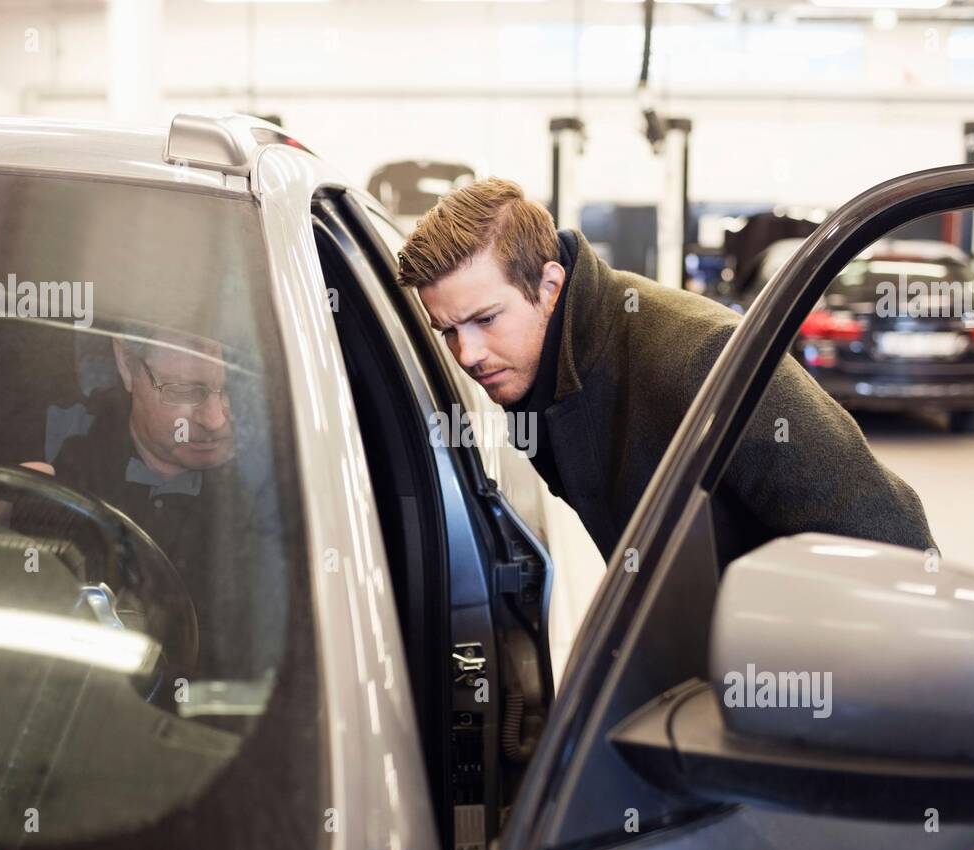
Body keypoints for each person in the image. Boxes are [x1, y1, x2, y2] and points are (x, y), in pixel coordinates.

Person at [395, 178, 936, 569]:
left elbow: (888, 538)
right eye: (448, 331)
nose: (467, 355)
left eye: (485, 320)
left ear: (549, 285)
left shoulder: (702, 358)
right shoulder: (549, 369)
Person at [0, 329, 251, 675]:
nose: (216, 420)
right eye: (185, 390)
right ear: (127, 364)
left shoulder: (282, 492)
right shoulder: (45, 432)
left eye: (236, 388)